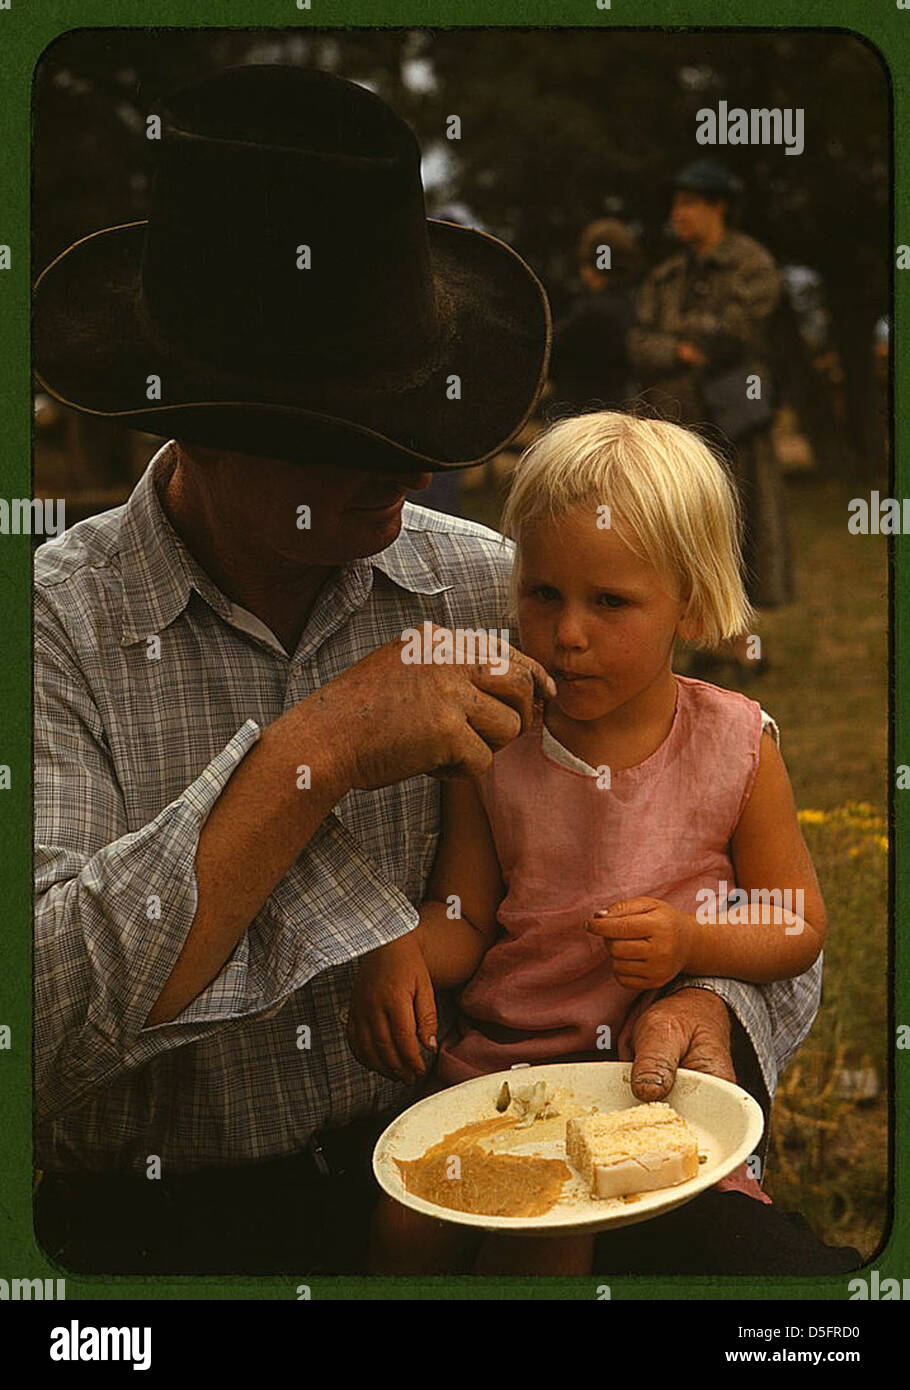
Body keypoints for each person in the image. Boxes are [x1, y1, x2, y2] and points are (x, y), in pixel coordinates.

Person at [33, 66, 823, 1277]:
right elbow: (34, 1024)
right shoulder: (54, 630)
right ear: (198, 420)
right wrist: (314, 751)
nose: (408, 476)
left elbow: (740, 899)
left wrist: (711, 1003)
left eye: (418, 427)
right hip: (162, 1221)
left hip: (505, 1147)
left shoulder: (495, 590)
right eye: (352, 439)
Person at [349, 413, 858, 1277]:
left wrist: (691, 941)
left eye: (610, 603)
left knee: (556, 1245)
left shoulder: (735, 744)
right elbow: (463, 918)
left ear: (690, 606)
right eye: (544, 594)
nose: (568, 633)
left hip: (643, 1084)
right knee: (404, 1227)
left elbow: (798, 922)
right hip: (501, 1075)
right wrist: (395, 947)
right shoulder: (498, 741)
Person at [629, 159, 794, 678]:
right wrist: (682, 349)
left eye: (690, 203)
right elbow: (639, 343)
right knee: (686, 533)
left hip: (735, 422)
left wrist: (677, 341)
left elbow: (738, 329)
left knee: (743, 531)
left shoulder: (751, 263)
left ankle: (745, 646)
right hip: (678, 427)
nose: (679, 214)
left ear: (718, 207)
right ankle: (709, 642)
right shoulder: (666, 275)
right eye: (676, 203)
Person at [547, 218, 643, 414]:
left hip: (579, 410)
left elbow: (551, 349)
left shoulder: (592, 310)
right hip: (619, 409)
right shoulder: (637, 304)